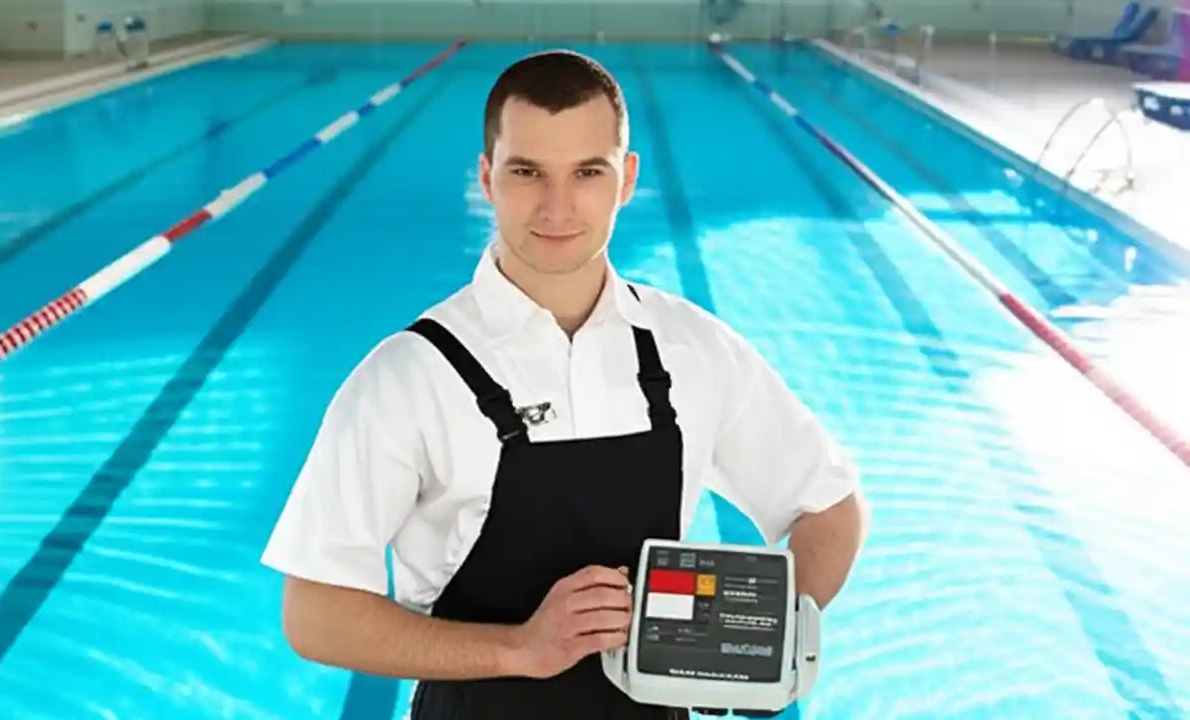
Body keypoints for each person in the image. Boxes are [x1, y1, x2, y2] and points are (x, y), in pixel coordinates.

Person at [261, 49, 869, 719]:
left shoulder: (693, 350)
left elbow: (830, 507)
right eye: (528, 172)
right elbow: (315, 614)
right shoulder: (410, 375)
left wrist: (758, 642)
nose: (557, 207)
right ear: (488, 178)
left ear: (625, 179)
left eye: (587, 172)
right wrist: (519, 649)